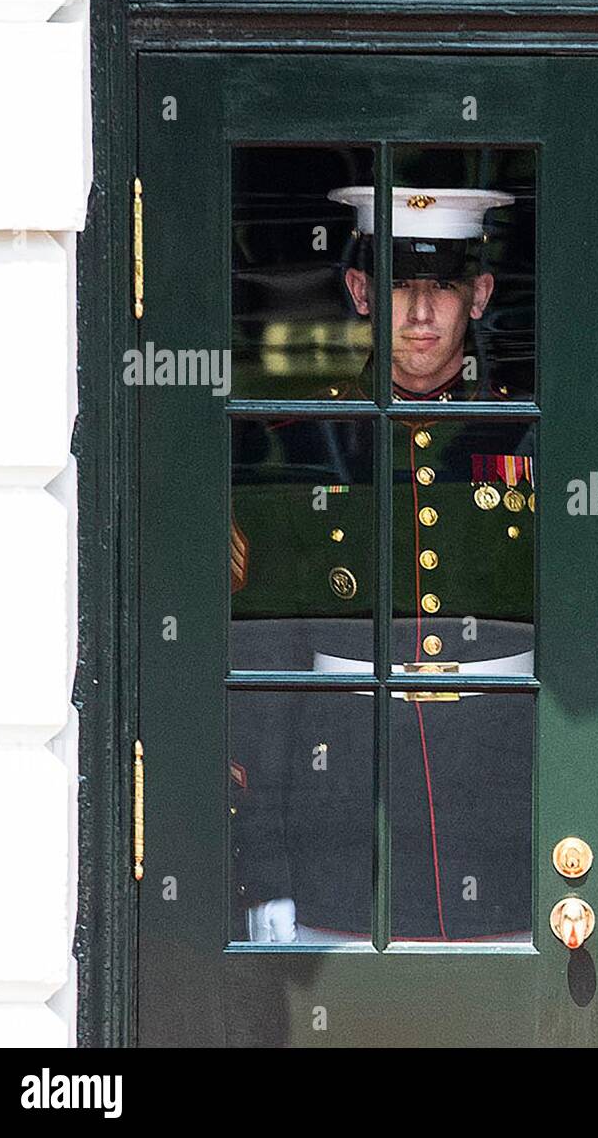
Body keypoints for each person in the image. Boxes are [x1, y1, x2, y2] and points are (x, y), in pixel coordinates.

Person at [229, 186, 536, 944]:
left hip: (509, 800)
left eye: (443, 286)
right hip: (342, 809)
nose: (422, 312)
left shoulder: (541, 434)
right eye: (400, 285)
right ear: (361, 291)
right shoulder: (300, 440)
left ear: (481, 294)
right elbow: (267, 668)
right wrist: (266, 866)